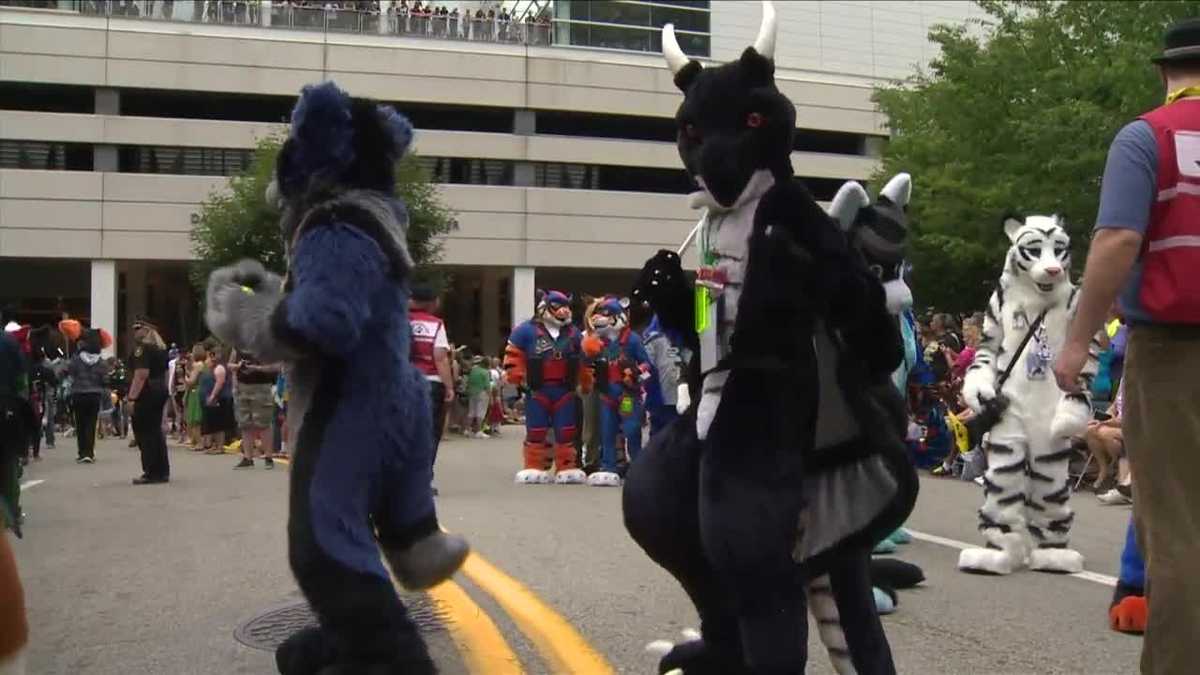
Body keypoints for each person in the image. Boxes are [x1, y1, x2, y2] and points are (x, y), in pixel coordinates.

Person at [1054, 18, 1200, 674]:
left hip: (1174, 356)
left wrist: (1077, 340)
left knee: (1176, 531)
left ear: (1165, 72)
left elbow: (1116, 241)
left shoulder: (1148, 137)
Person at [408, 286, 454, 481]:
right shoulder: (435, 324)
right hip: (430, 384)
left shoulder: (397, 319)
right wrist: (449, 386)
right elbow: (440, 358)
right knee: (429, 433)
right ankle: (422, 478)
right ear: (432, 302)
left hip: (401, 381)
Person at [127, 318, 170, 485]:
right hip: (159, 389)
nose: (135, 332)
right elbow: (165, 374)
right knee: (156, 432)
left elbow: (141, 374)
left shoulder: (142, 349)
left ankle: (150, 471)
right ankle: (161, 470)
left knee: (144, 433)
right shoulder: (160, 349)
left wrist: (132, 398)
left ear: (146, 330)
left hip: (147, 392)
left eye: (138, 328)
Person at [230, 349, 278, 470]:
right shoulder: (238, 344)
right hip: (242, 386)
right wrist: (238, 367)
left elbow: (276, 367)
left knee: (263, 422)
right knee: (244, 423)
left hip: (261, 386)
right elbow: (230, 364)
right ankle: (248, 458)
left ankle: (268, 457)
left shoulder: (264, 343)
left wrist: (257, 368)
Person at [66, 330, 108, 464]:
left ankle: (81, 451)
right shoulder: (100, 361)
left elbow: (70, 372)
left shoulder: (77, 359)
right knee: (91, 423)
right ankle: (89, 452)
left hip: (78, 393)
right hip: (95, 394)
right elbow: (105, 378)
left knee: (80, 423)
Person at [202, 345, 234, 456]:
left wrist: (212, 396)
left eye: (214, 355)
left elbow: (219, 383)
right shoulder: (213, 367)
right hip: (215, 398)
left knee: (218, 424)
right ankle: (215, 445)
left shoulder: (220, 368)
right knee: (213, 423)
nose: (213, 357)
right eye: (212, 355)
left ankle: (220, 446)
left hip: (220, 398)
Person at [465, 356, 491, 438]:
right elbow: (487, 385)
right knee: (481, 412)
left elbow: (469, 381)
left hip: (472, 392)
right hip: (482, 393)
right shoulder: (485, 372)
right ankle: (479, 431)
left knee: (471, 411)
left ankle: (467, 430)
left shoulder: (473, 370)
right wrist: (490, 396)